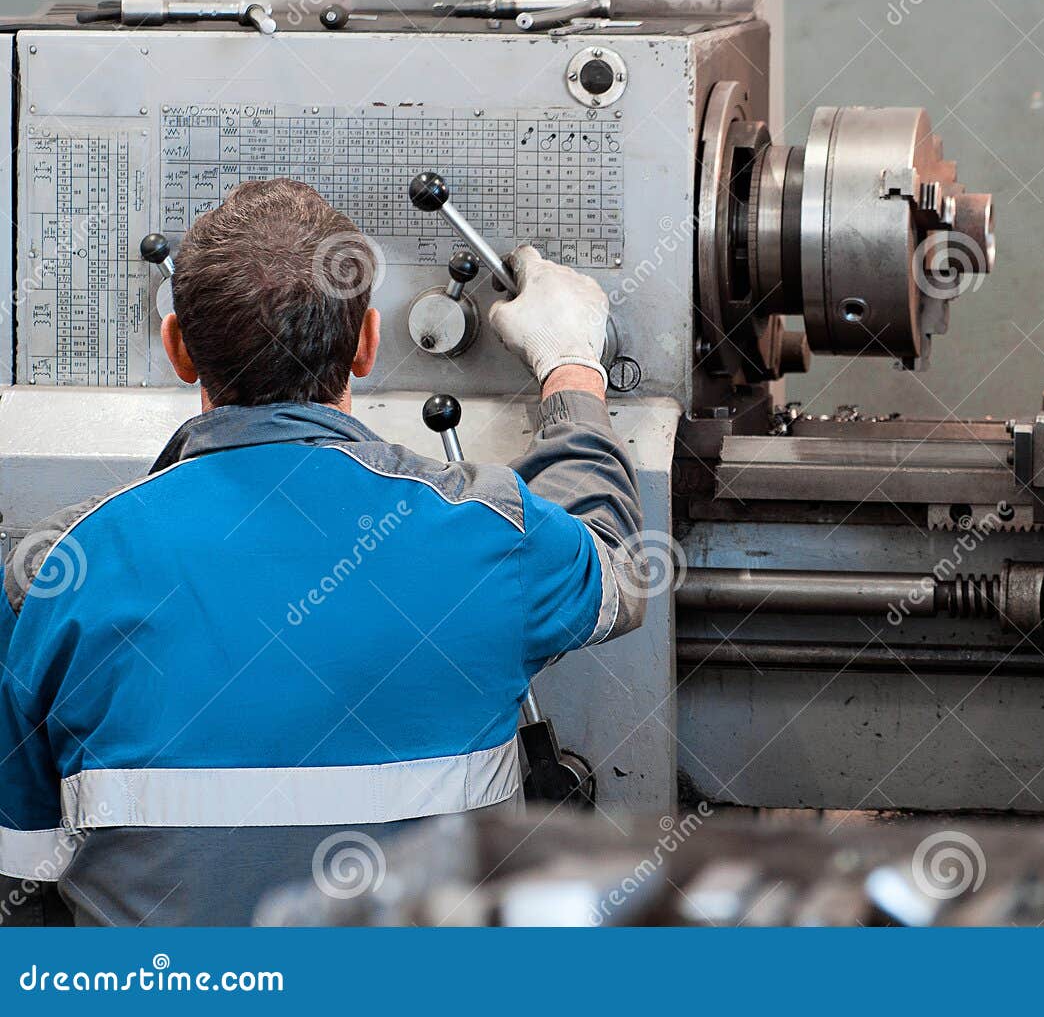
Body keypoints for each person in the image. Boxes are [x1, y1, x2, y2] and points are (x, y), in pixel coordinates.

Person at [0, 178, 645, 925]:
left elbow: (22, 890)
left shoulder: (51, 577)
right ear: (368, 340)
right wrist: (570, 367)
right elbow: (617, 562)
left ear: (178, 347)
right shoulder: (485, 535)